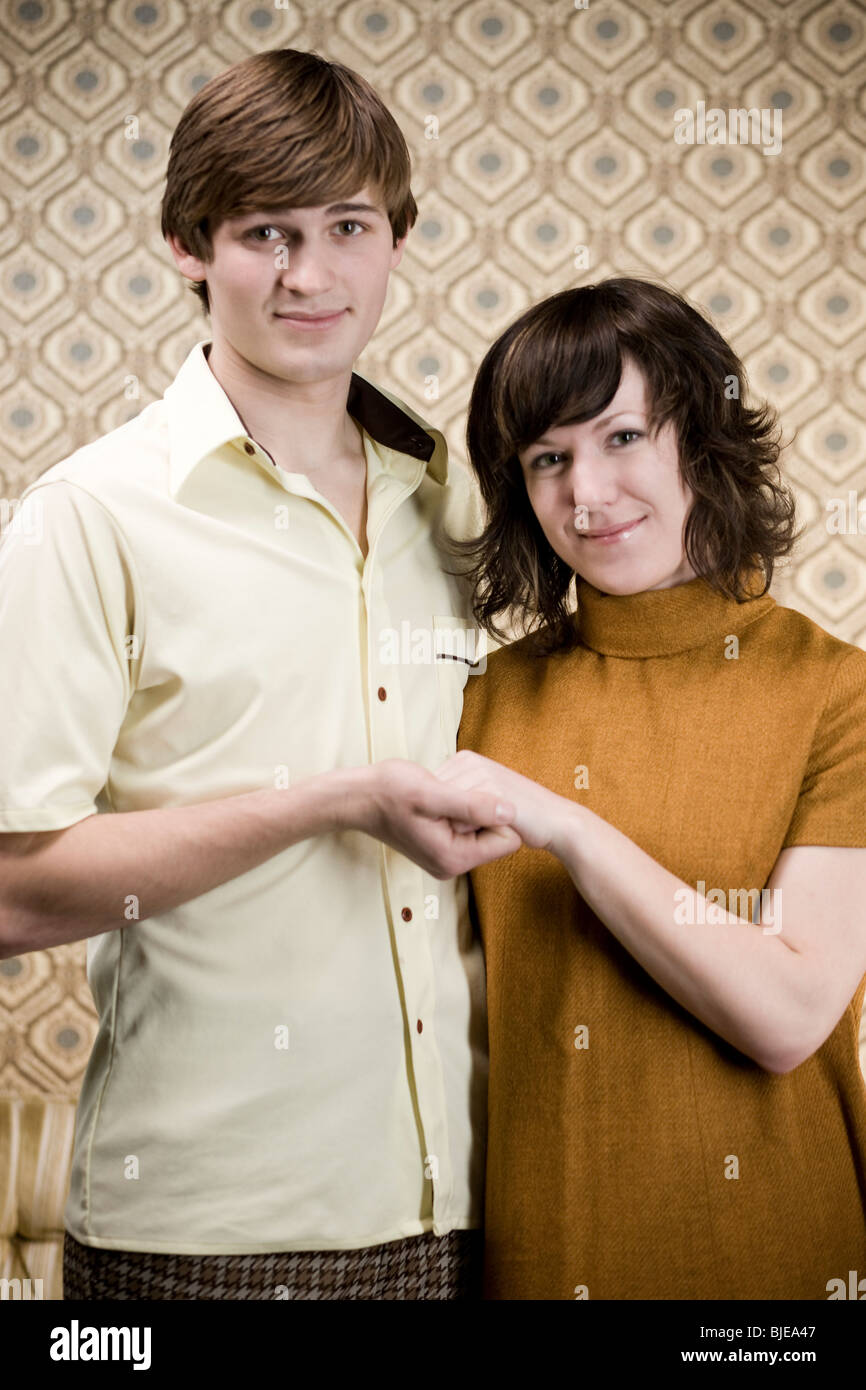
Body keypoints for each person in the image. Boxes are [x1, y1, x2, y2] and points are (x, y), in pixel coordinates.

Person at [0, 48, 521, 1301]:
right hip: (204, 1239)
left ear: (396, 238)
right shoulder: (90, 515)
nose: (311, 274)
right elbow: (12, 896)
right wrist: (329, 802)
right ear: (190, 247)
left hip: (464, 1210)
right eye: (264, 233)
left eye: (347, 226)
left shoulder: (457, 502)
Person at [435, 276, 866, 1300]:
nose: (584, 494)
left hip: (770, 1257)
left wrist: (570, 830)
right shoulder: (483, 701)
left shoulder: (835, 693)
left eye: (620, 436)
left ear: (702, 439)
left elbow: (788, 1012)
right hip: (539, 1252)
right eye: (547, 458)